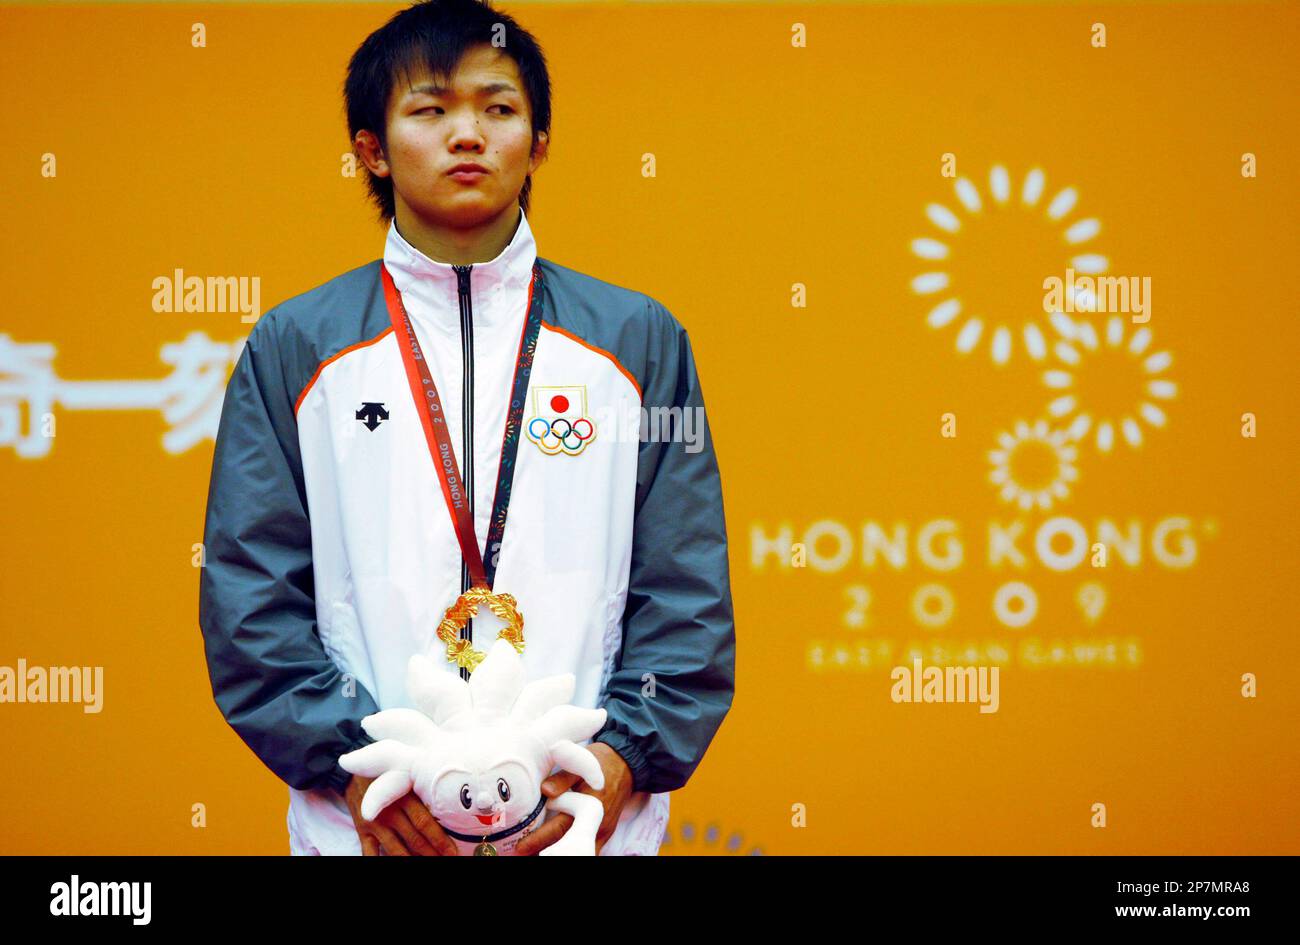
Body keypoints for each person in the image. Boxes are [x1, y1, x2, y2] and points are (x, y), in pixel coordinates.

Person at [197, 0, 735, 856]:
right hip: (369, 829)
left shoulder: (637, 339)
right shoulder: (295, 347)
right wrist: (352, 765)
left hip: (584, 826)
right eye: (430, 108)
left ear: (540, 140)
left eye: (499, 108)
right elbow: (251, 595)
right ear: (371, 149)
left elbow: (684, 587)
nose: (467, 134)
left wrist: (620, 758)